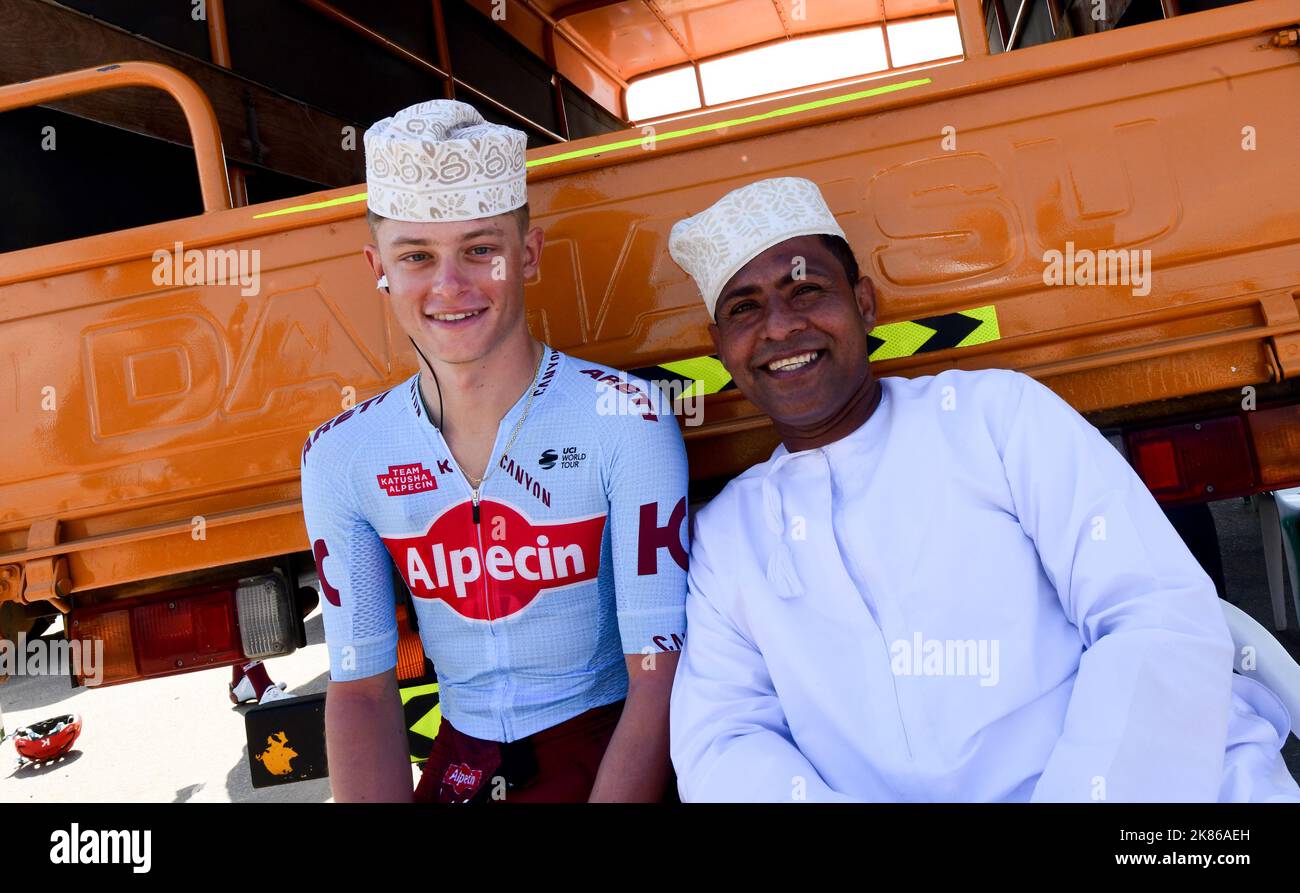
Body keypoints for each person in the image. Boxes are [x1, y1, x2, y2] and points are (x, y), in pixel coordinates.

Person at [665, 176, 1300, 802]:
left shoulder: (994, 416)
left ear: (863, 303)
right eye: (744, 308)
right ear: (719, 346)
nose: (779, 327)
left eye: (805, 289)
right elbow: (723, 739)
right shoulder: (726, 535)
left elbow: (1153, 611)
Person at [300, 100, 688, 803]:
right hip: (461, 762)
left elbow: (658, 674)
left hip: (606, 750)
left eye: (481, 249)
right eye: (416, 255)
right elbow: (358, 689)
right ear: (377, 267)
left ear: (528, 254)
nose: (450, 285)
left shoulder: (625, 417)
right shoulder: (341, 453)